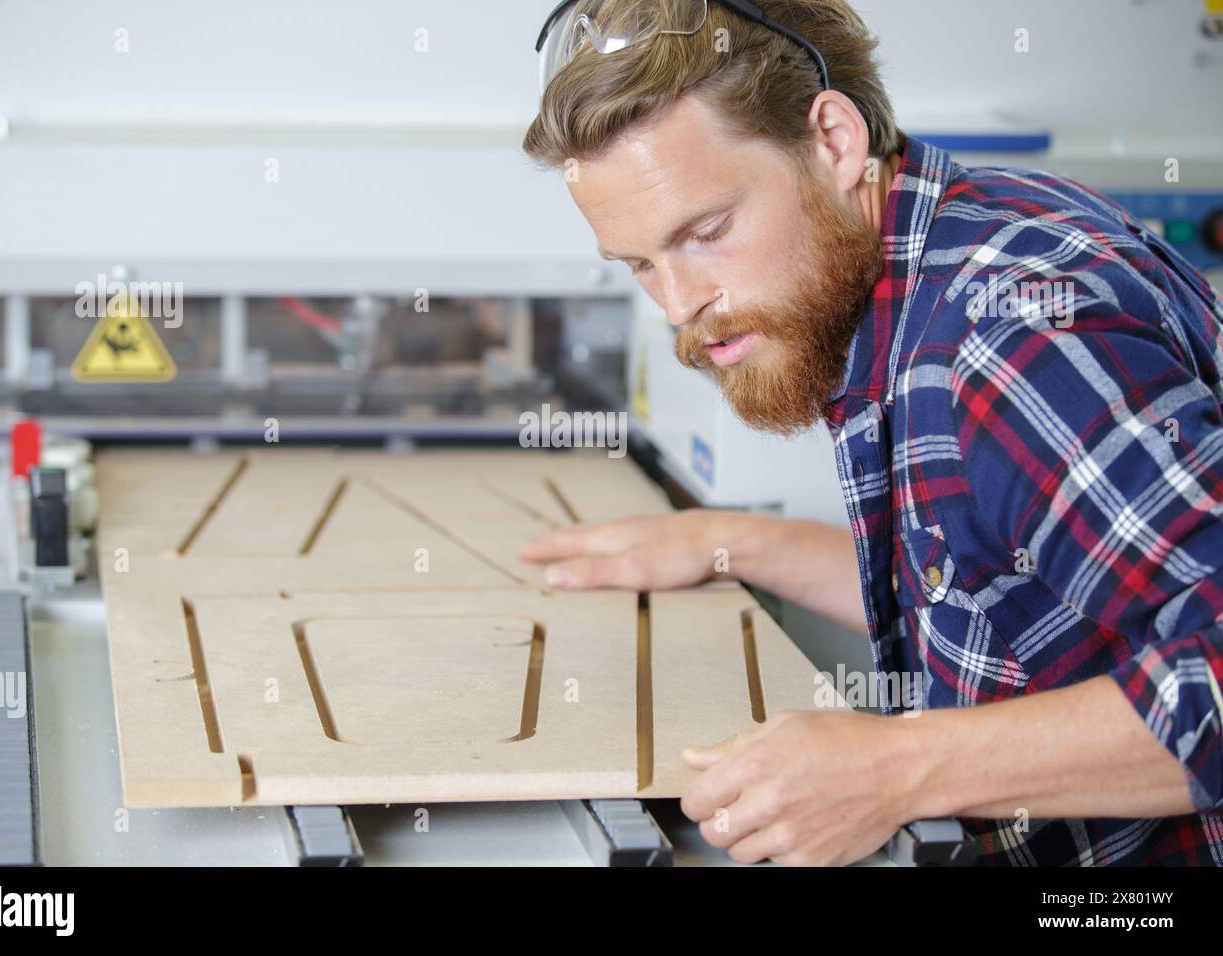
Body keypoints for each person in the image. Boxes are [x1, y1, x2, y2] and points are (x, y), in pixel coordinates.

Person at [520, 0, 1223, 865]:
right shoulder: (924, 254)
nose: (678, 306)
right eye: (638, 265)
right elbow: (999, 599)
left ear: (835, 140)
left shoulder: (1010, 338)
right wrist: (733, 543)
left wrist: (897, 770)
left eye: (705, 233)